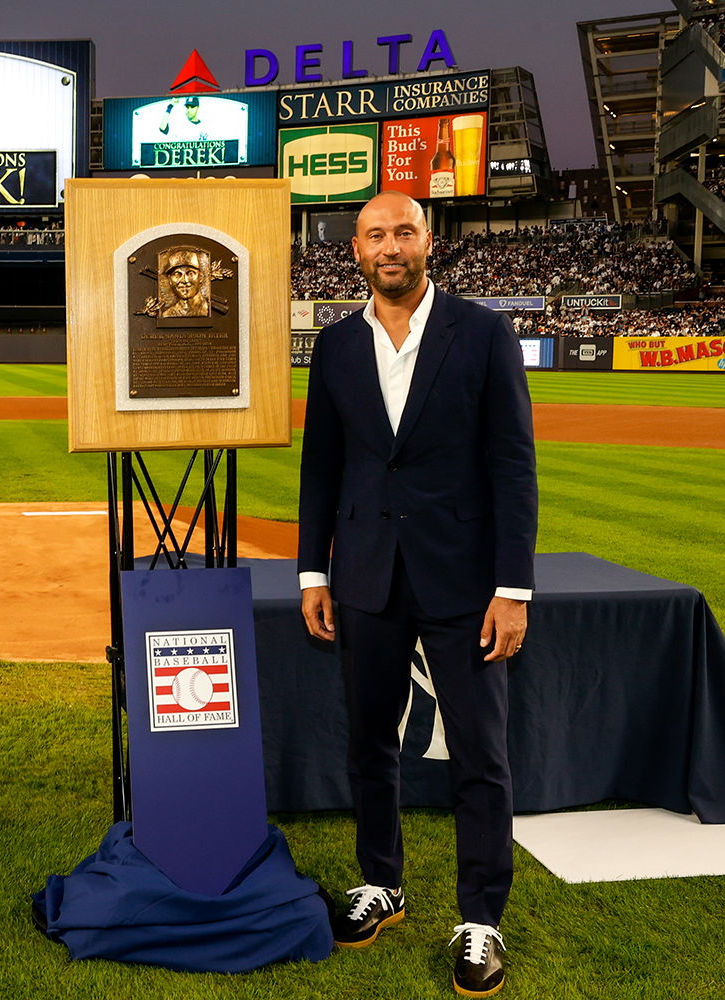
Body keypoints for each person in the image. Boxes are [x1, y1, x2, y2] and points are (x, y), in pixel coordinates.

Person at [298, 191, 537, 997]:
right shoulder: (334, 346)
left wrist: (512, 588)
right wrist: (312, 571)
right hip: (365, 572)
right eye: (375, 234)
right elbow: (321, 469)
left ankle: (481, 919)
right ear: (355, 249)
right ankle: (383, 884)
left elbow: (512, 465)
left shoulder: (483, 332)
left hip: (465, 580)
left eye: (404, 231)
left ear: (428, 241)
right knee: (370, 742)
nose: (390, 246)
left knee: (481, 751)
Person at [159, 248, 210, 318]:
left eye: (190, 273)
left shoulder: (207, 309)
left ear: (200, 277)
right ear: (170, 280)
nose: (184, 280)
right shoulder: (167, 314)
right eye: (177, 274)